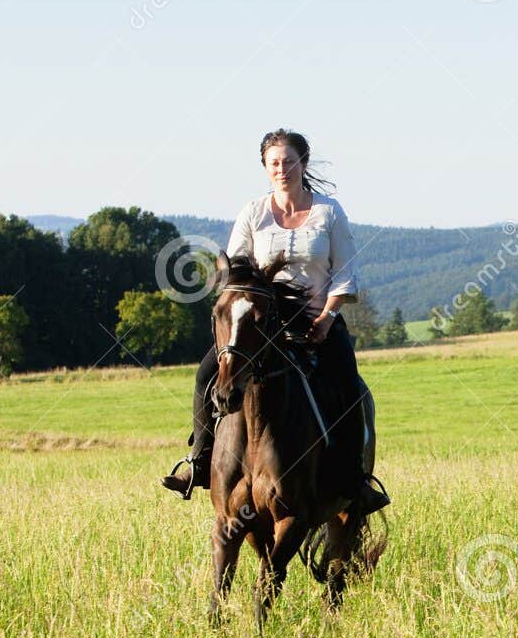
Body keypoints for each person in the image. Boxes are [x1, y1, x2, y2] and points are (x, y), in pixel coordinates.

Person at [162, 129, 389, 514]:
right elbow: (235, 271)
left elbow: (347, 274)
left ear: (303, 162)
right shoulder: (253, 213)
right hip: (260, 327)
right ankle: (199, 463)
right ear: (266, 168)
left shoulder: (329, 212)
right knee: (206, 374)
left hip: (318, 322)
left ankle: (354, 481)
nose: (282, 169)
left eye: (289, 161)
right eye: (274, 163)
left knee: (350, 388)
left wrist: (326, 318)